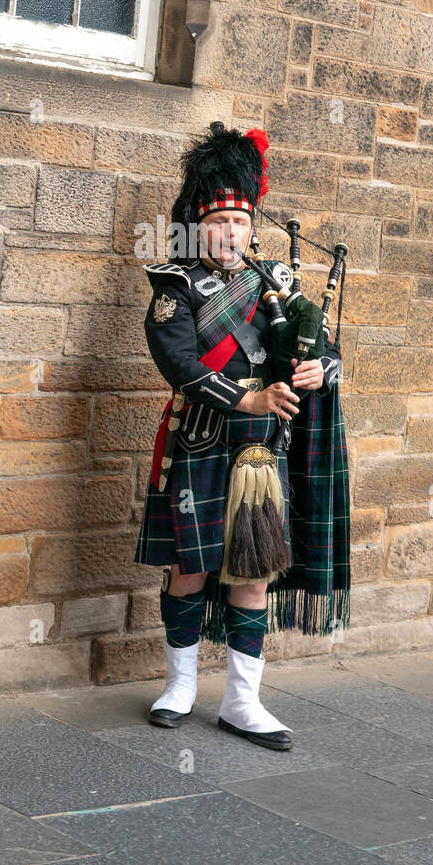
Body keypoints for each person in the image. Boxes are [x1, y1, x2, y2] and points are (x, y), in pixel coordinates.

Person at [134, 121, 350, 751]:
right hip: (200, 441)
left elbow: (329, 352)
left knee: (252, 573)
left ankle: (242, 702)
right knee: (189, 568)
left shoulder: (277, 283)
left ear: (253, 224)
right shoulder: (175, 286)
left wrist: (318, 369)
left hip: (260, 451)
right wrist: (247, 394)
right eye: (219, 222)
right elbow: (179, 363)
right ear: (195, 225)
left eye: (240, 221)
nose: (232, 233)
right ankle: (179, 687)